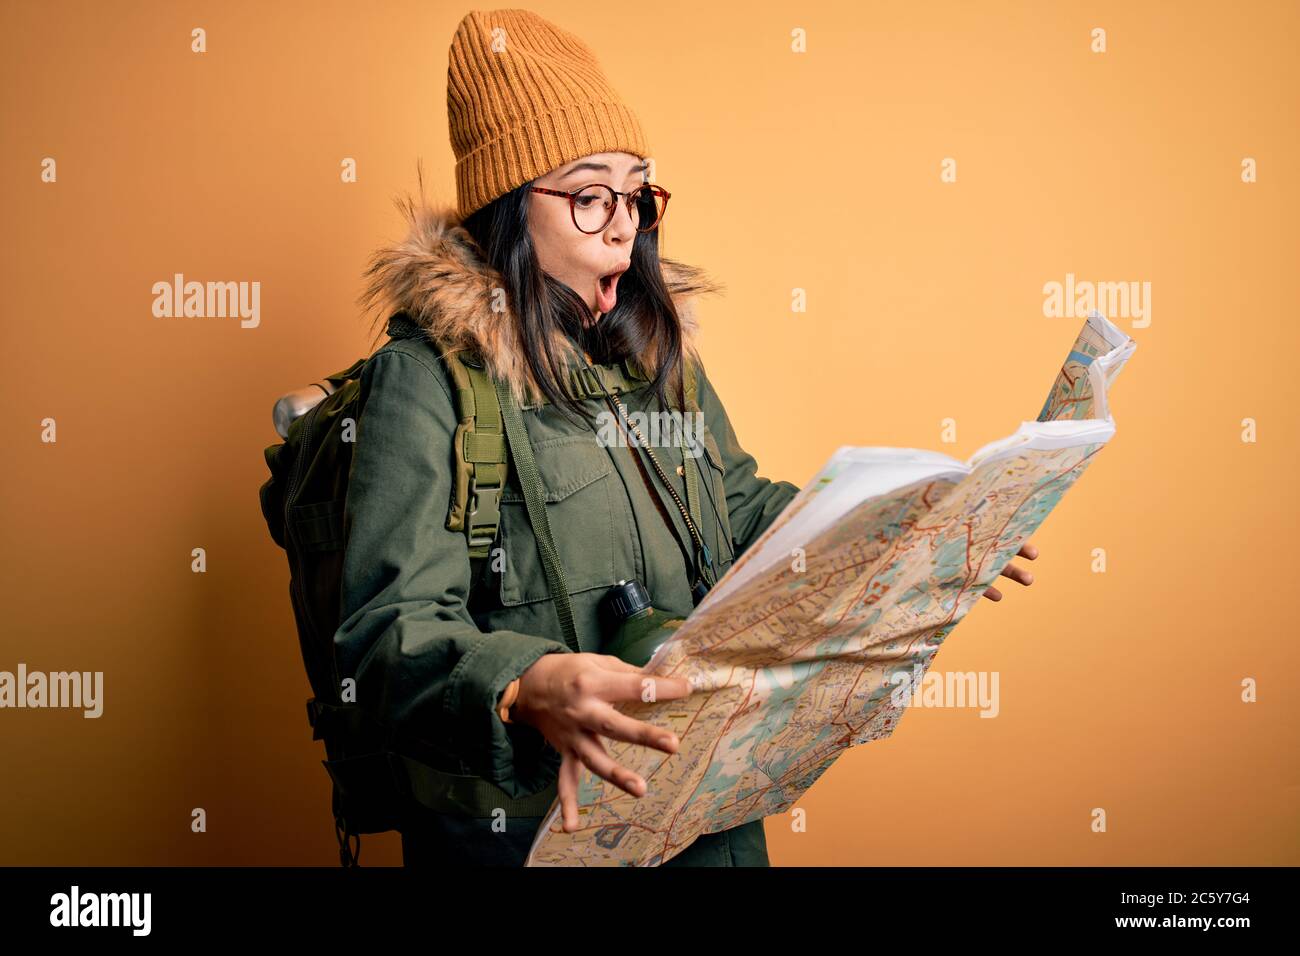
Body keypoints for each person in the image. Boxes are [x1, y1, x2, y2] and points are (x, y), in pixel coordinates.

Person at [334, 8, 1039, 868]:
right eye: (590, 196)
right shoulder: (426, 382)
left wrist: (915, 529)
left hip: (711, 810)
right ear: (509, 210)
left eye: (635, 193)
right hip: (531, 836)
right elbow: (388, 633)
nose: (625, 226)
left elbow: (741, 511)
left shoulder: (656, 357)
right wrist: (524, 684)